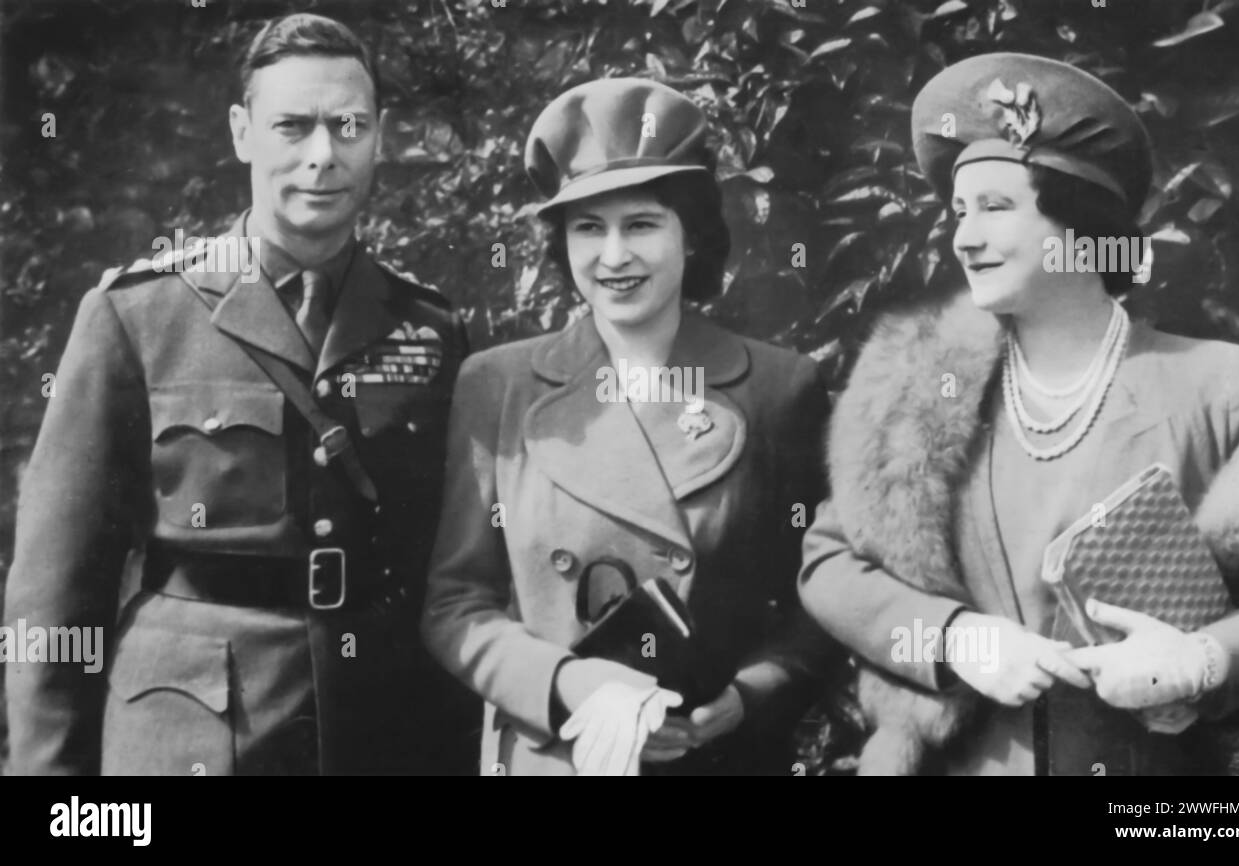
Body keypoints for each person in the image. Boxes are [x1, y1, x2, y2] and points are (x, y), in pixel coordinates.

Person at [798, 52, 1239, 775]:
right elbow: (828, 564)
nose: (963, 237)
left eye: (996, 208)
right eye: (959, 213)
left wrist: (1201, 661)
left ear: (1082, 224)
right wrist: (953, 639)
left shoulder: (1221, 384)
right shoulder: (913, 393)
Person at [4, 13, 477, 775]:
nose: (323, 156)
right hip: (190, 735)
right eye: (293, 126)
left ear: (380, 137)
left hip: (387, 732)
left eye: (349, 126)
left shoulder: (433, 331)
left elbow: (456, 572)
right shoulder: (140, 316)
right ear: (241, 132)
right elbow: (56, 598)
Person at [422, 77, 839, 776]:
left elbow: (818, 597)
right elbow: (457, 601)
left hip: (716, 757)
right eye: (589, 228)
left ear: (694, 236)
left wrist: (748, 697)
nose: (614, 257)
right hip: (553, 755)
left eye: (642, 224)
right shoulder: (498, 384)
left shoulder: (777, 388)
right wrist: (565, 687)